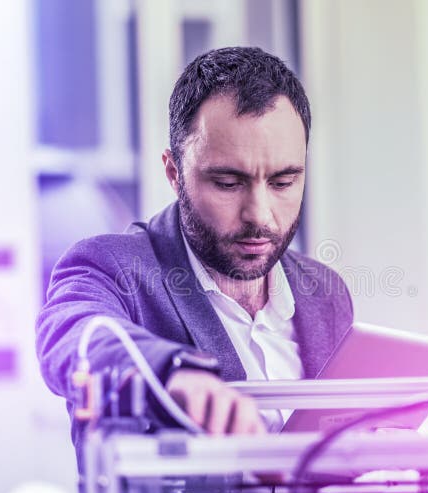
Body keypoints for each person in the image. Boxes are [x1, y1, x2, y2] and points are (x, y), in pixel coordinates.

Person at [35, 46, 353, 469]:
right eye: (227, 183)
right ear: (173, 172)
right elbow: (76, 336)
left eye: (282, 181)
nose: (259, 214)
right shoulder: (108, 269)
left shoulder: (326, 294)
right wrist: (169, 372)